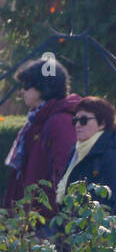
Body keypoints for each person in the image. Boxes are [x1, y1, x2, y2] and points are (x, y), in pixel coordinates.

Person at [3, 57, 81, 229]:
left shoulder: (59, 121)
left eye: (26, 86)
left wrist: (43, 215)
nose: (21, 92)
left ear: (43, 87)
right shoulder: (37, 120)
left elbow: (63, 173)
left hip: (46, 223)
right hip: (32, 218)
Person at [56, 96, 116, 216]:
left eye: (84, 120)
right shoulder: (78, 150)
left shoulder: (113, 153)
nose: (77, 125)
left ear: (102, 123)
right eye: (75, 120)